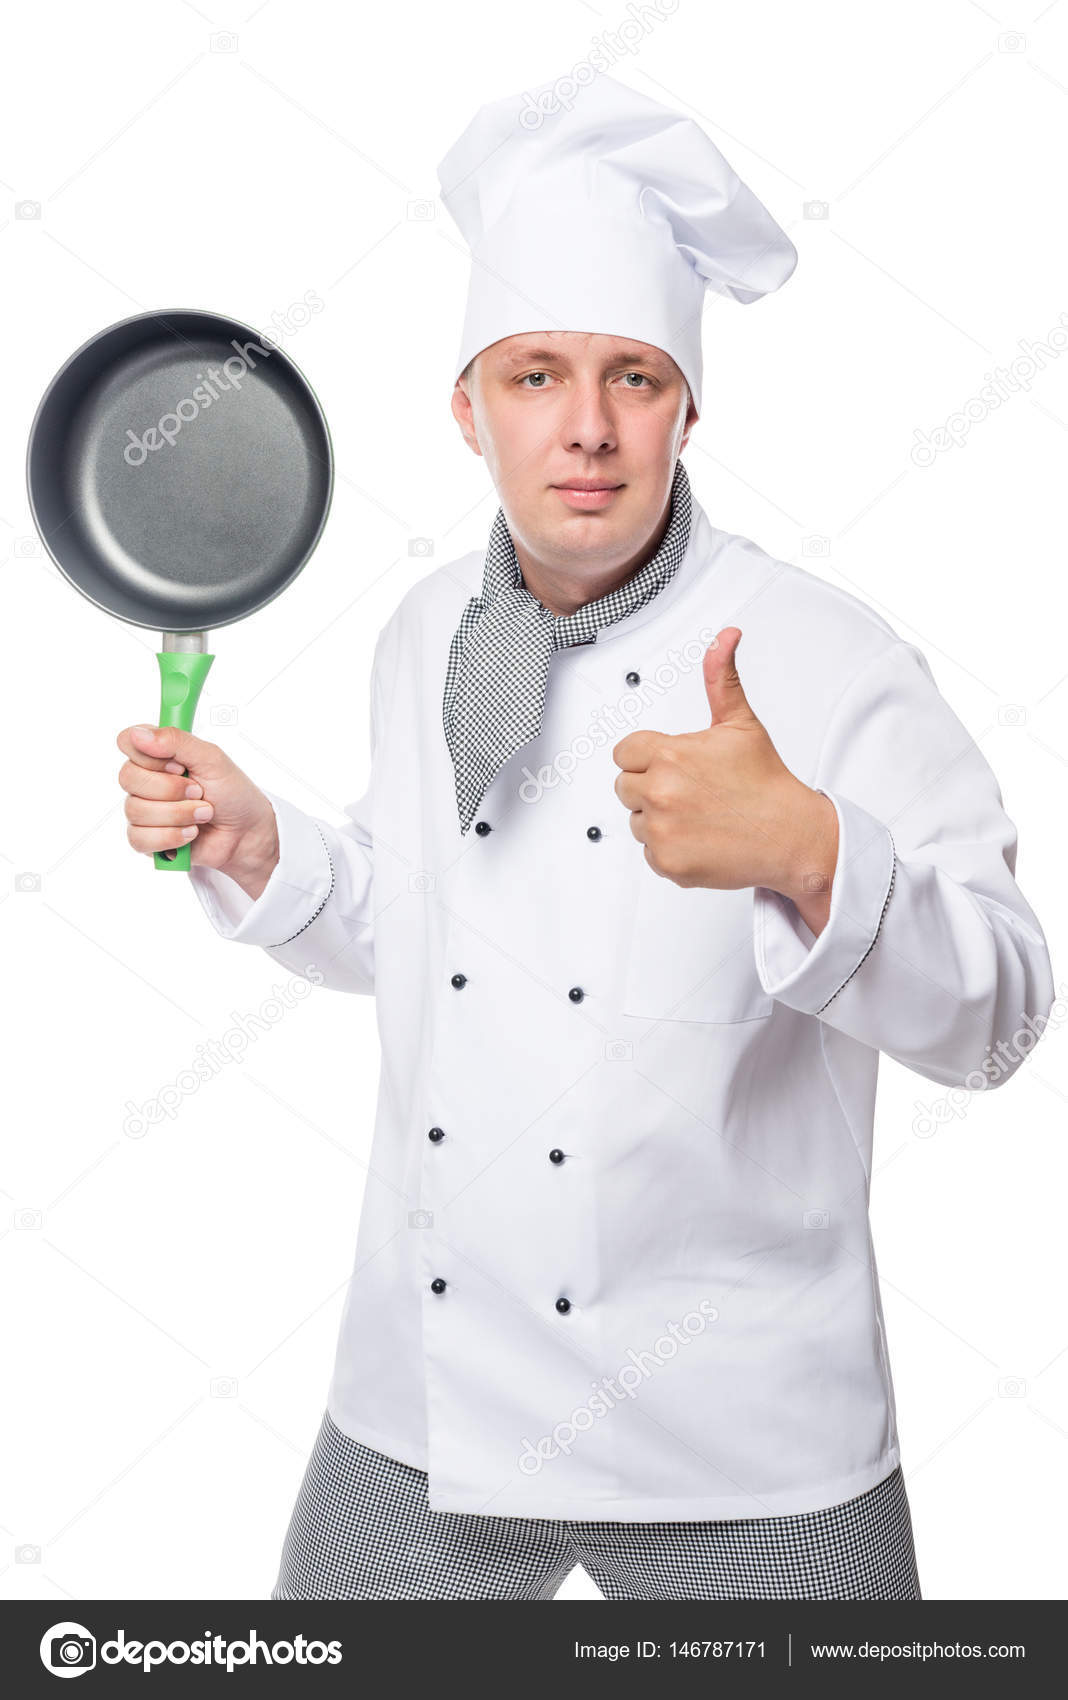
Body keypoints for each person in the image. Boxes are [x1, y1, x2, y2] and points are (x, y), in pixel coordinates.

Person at [115, 75, 1054, 1601]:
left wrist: (815, 854)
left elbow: (1006, 1011)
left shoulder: (825, 656)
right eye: (537, 373)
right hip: (425, 1416)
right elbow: (419, 930)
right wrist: (258, 842)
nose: (590, 429)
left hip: (744, 1447)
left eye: (635, 377)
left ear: (691, 407)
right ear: (467, 408)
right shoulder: (425, 633)